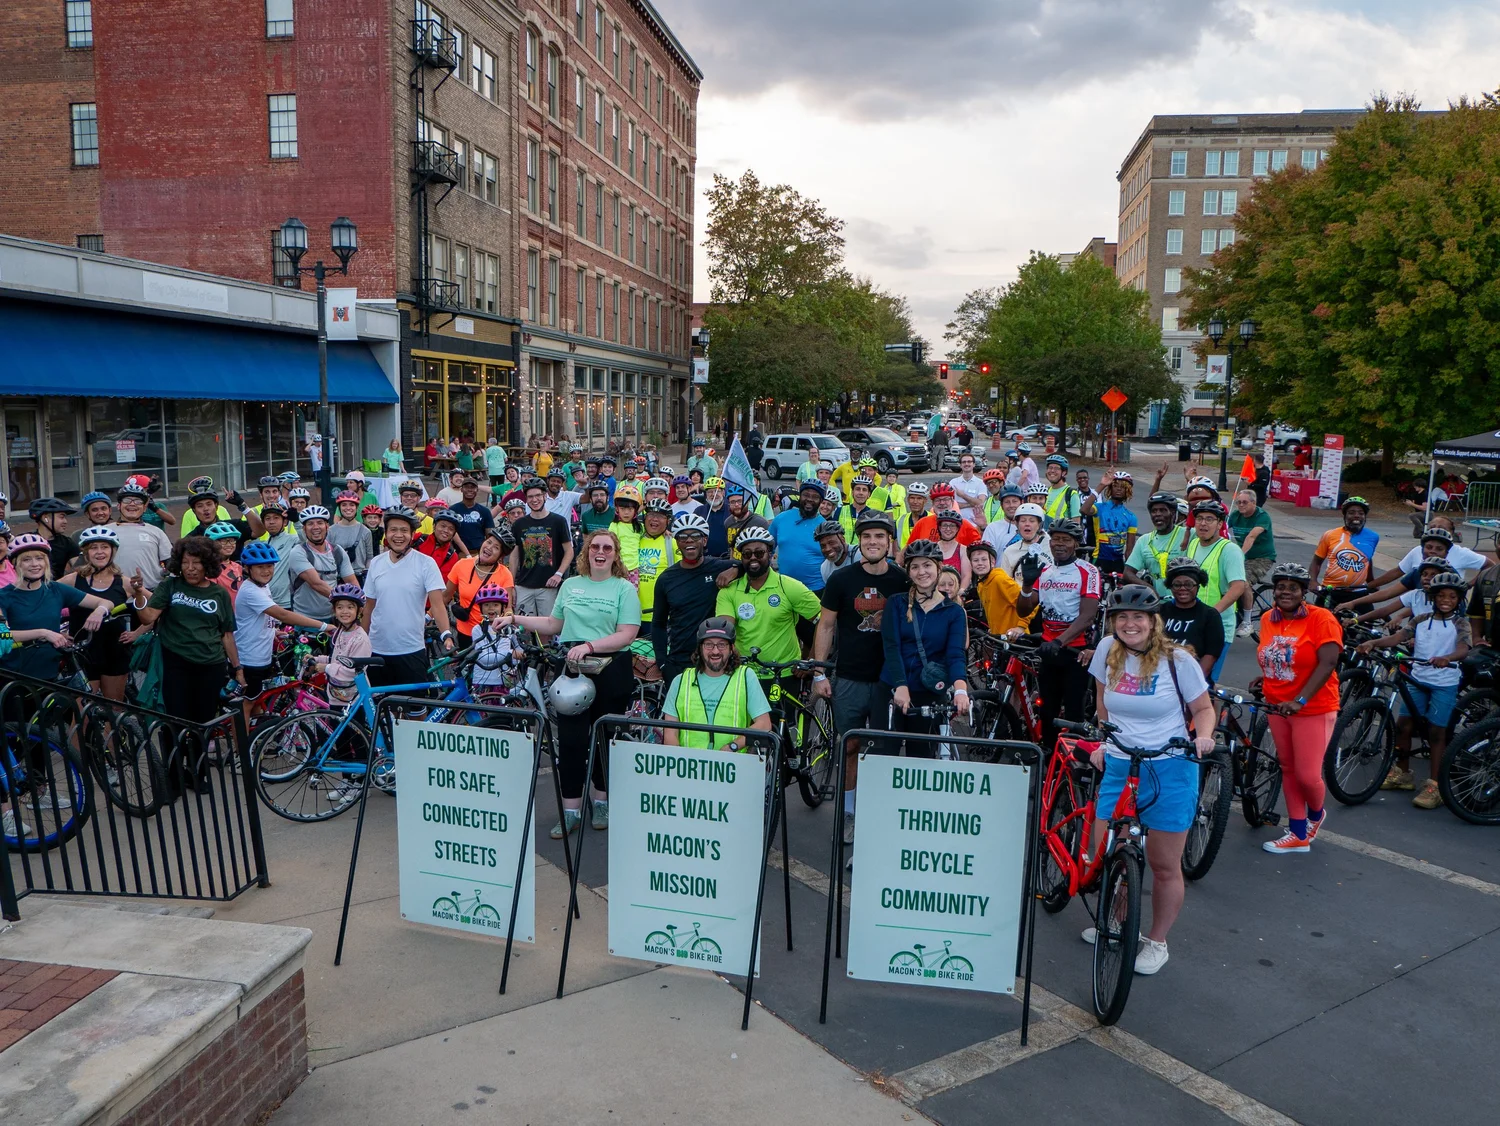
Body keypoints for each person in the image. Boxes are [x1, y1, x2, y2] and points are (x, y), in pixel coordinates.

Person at [1082, 585, 1217, 976]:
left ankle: (1156, 941)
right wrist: (1104, 740)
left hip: (1170, 764)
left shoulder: (1177, 661)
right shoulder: (1108, 650)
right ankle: (1115, 922)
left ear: (1153, 621)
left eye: (1138, 617)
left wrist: (1203, 737)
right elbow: (1103, 704)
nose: (1130, 624)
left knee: (1163, 864)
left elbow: (1203, 709)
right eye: (1121, 617)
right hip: (1122, 762)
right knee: (1109, 848)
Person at [504, 528, 641, 836]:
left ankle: (602, 802)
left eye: (607, 547)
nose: (601, 552)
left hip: (612, 667)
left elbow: (627, 634)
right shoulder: (571, 585)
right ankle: (570, 811)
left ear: (616, 554)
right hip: (573, 669)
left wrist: (590, 646)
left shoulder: (624, 589)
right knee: (571, 742)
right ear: (586, 552)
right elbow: (554, 624)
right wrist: (514, 619)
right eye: (595, 547)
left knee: (607, 738)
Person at [812, 510, 906, 837]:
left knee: (883, 754)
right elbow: (825, 625)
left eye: (880, 536)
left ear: (889, 541)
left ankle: (879, 816)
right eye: (867, 536)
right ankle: (850, 813)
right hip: (849, 676)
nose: (873, 542)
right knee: (849, 747)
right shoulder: (841, 579)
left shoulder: (901, 579)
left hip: (888, 681)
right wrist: (819, 673)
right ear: (859, 541)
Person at [1359, 571, 1470, 808]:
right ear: (1433, 597)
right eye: (1441, 595)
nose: (1446, 600)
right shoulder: (1420, 620)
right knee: (1404, 726)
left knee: (1436, 732)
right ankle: (1402, 773)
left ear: (1459, 600)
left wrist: (1446, 657)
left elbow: (1463, 649)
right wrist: (1373, 642)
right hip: (1418, 678)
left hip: (1444, 682)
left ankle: (1435, 785)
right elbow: (1399, 637)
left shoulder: (1460, 622)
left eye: (1452, 596)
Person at [1253, 562, 1342, 853]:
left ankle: (1316, 814)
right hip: (1277, 705)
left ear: (1304, 592)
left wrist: (1300, 700)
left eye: (1293, 587)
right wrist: (1264, 678)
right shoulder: (1268, 618)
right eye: (1280, 587)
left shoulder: (1322, 618)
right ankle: (1298, 833)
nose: (1285, 592)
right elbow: (1275, 655)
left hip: (1313, 706)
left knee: (1307, 774)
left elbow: (1328, 662)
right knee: (1288, 768)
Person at [133, 537, 241, 727]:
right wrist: (139, 595)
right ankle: (174, 757)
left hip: (211, 665)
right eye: (185, 562)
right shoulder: (169, 586)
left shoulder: (219, 593)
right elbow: (148, 617)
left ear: (207, 564)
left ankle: (199, 756)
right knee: (175, 721)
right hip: (176, 664)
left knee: (204, 721)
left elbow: (227, 635)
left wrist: (237, 668)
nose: (190, 568)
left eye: (196, 562)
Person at [880, 539, 970, 757]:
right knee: (882, 757)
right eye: (915, 566)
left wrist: (960, 690)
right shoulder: (896, 603)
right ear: (909, 571)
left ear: (938, 568)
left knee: (921, 760)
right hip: (892, 687)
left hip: (929, 693)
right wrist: (901, 685)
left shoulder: (954, 612)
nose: (922, 572)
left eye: (927, 565)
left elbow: (956, 654)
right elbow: (891, 646)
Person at [1016, 519, 1100, 745]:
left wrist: (1060, 641)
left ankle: (1072, 763)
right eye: (1056, 540)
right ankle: (1050, 756)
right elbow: (1023, 609)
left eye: (1066, 540)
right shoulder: (1045, 571)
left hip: (1075, 651)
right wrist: (1027, 585)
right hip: (1049, 650)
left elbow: (1087, 616)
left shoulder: (1088, 571)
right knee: (1048, 709)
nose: (1059, 544)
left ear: (1075, 543)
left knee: (1073, 711)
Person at [361, 506, 456, 691]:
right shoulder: (377, 563)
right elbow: (369, 608)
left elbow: (437, 605)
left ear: (413, 534)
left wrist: (446, 634)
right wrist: (361, 640)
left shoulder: (426, 563)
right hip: (377, 648)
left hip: (411, 648)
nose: (398, 535)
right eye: (393, 530)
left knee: (416, 709)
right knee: (383, 707)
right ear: (386, 533)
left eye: (404, 530)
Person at [230, 540, 336, 702]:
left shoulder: (261, 586)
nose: (266, 571)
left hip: (262, 656)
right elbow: (283, 615)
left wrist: (274, 631)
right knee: (247, 705)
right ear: (247, 568)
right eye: (260, 567)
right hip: (250, 660)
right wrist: (322, 626)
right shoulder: (250, 591)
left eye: (269, 566)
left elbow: (258, 618)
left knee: (259, 702)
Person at [716, 525, 820, 678]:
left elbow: (824, 621)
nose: (753, 558)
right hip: (743, 673)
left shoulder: (788, 586)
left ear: (770, 554)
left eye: (759, 553)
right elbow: (725, 630)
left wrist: (812, 660)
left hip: (784, 673)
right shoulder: (729, 591)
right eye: (747, 554)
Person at [652, 513, 740, 684]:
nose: (689, 540)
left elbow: (750, 566)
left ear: (704, 541)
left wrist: (735, 569)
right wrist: (662, 662)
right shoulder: (666, 579)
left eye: (695, 536)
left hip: (715, 658)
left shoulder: (717, 567)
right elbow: (658, 624)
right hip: (679, 660)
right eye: (683, 537)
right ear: (677, 542)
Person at [661, 616, 773, 750]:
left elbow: (764, 724)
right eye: (708, 644)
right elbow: (670, 732)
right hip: (690, 765)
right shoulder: (680, 680)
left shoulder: (746, 676)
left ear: (731, 648)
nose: (715, 651)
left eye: (722, 645)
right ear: (700, 648)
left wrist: (732, 746)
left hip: (732, 765)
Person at [54, 527, 133, 700]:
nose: (99, 552)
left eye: (104, 547)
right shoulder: (73, 580)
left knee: (114, 709)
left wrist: (137, 633)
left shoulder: (125, 582)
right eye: (93, 547)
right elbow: (43, 601)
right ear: (86, 552)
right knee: (83, 714)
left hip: (115, 651)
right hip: (83, 652)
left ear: (113, 551)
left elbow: (157, 606)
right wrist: (55, 631)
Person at [1181, 500, 1246, 683]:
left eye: (1210, 519)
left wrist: (1212, 613)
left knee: (1206, 682)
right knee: (1186, 680)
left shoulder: (1229, 550)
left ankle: (1212, 712)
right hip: (1193, 623)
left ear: (1220, 524)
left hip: (1217, 627)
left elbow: (1238, 586)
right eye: (1200, 518)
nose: (1203, 523)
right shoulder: (1193, 544)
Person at [510, 478, 575, 615]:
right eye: (530, 497)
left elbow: (569, 551)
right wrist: (511, 584)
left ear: (545, 495)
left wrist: (558, 574)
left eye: (538, 495)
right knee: (523, 629)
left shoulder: (558, 521)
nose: (535, 500)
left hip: (548, 586)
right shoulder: (519, 524)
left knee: (547, 630)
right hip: (523, 585)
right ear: (526, 499)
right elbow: (515, 556)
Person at [445, 527, 516, 647]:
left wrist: (509, 618)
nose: (489, 548)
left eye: (496, 547)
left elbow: (508, 608)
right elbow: (444, 597)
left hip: (491, 633)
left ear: (501, 556)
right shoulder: (461, 565)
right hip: (465, 633)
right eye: (489, 542)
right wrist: (427, 617)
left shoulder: (505, 574)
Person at [287, 506, 358, 622]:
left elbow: (351, 581)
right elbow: (316, 584)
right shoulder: (298, 552)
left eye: (320, 523)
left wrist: (359, 602)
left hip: (334, 617)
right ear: (304, 529)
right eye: (310, 524)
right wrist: (346, 601)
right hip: (305, 620)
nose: (315, 527)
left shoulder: (337, 551)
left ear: (327, 526)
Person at [1159, 557, 1225, 681]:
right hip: (1159, 678)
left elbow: (1211, 655)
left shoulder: (1210, 615)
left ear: (1198, 586)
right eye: (1177, 585)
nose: (1182, 588)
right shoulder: (1159, 611)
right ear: (1170, 586)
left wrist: (1192, 682)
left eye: (1188, 584)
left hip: (1194, 679)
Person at [1309, 496, 1378, 608]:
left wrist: (1372, 582)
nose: (1357, 515)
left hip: (1359, 592)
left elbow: (1367, 560)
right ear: (1345, 516)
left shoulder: (1373, 537)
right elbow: (1317, 561)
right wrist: (1313, 580)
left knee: (1369, 623)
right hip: (1331, 590)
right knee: (1323, 622)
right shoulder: (1330, 535)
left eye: (1361, 513)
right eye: (1351, 512)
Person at [109, 481, 174, 592]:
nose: (132, 504)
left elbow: (171, 563)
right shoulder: (106, 531)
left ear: (144, 508)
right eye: (127, 500)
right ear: (119, 506)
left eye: (138, 501)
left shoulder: (156, 532)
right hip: (115, 592)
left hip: (150, 592)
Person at [315, 585, 374, 707]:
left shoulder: (360, 639)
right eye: (340, 607)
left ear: (359, 611)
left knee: (352, 726)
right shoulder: (339, 632)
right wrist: (318, 660)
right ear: (334, 610)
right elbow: (338, 659)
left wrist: (326, 668)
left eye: (350, 607)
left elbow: (353, 671)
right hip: (336, 696)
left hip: (355, 699)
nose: (344, 611)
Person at [770, 480, 833, 593]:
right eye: (806, 495)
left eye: (815, 497)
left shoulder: (825, 527)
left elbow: (833, 560)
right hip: (784, 588)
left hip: (816, 589)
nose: (809, 499)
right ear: (800, 496)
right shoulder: (781, 519)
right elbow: (766, 549)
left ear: (821, 501)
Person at [1228, 490, 1276, 636]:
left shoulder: (1262, 517)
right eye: (1238, 502)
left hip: (1262, 558)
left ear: (1253, 503)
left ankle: (1247, 623)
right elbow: (1221, 529)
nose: (1240, 505)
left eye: (1244, 502)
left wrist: (1239, 555)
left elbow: (1251, 536)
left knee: (1244, 582)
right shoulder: (1235, 515)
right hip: (1243, 556)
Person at [1124, 492, 1183, 596]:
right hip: (1156, 603)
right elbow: (1128, 573)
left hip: (1182, 601)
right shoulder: (1144, 540)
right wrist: (1149, 588)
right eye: (1154, 511)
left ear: (1173, 512)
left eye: (1163, 510)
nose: (1158, 514)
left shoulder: (1188, 535)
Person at [967, 540, 1029, 636]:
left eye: (984, 559)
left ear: (992, 562)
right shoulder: (981, 585)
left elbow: (1028, 603)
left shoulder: (999, 580)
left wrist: (1021, 627)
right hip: (999, 637)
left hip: (1016, 638)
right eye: (975, 560)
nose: (979, 563)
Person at [1093, 471, 1138, 575]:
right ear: (1110, 488)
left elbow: (1129, 550)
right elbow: (1084, 509)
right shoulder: (1100, 508)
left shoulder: (1131, 516)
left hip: (1118, 562)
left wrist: (1129, 571)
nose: (1118, 489)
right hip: (1099, 559)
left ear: (1127, 490)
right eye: (1115, 486)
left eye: (1122, 487)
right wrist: (1102, 485)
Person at [998, 502, 1052, 579]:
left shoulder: (1051, 545)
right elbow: (1005, 584)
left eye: (1032, 521)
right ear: (1017, 524)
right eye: (1023, 521)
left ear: (1039, 524)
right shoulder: (1010, 551)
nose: (1027, 524)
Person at [329, 491, 375, 580]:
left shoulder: (365, 531)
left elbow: (369, 557)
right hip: (338, 577)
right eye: (344, 505)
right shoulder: (331, 531)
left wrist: (367, 575)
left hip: (359, 576)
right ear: (339, 508)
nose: (348, 508)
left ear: (357, 507)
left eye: (351, 505)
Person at [30, 498, 79, 579]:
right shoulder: (27, 541)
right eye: (61, 517)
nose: (65, 521)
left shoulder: (67, 543)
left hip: (55, 588)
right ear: (46, 518)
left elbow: (81, 569)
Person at [445, 475, 496, 553]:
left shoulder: (485, 511)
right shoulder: (453, 510)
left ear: (477, 490)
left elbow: (490, 535)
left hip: (479, 553)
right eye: (466, 487)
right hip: (458, 553)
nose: (469, 490)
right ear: (461, 489)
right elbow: (448, 533)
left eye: (473, 487)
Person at [203, 522, 245, 604]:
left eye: (232, 540)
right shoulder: (210, 570)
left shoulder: (238, 566)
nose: (229, 544)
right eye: (223, 541)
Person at [608, 484, 644, 571]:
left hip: (635, 568)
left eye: (630, 509)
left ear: (636, 510)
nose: (626, 513)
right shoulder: (614, 526)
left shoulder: (640, 527)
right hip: (618, 567)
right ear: (617, 509)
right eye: (622, 509)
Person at [948, 453, 987, 525]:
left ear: (974, 464)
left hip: (974, 524)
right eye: (964, 462)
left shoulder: (981, 483)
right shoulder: (953, 482)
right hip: (956, 524)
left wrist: (963, 495)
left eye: (969, 462)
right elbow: (950, 505)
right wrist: (971, 504)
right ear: (960, 465)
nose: (966, 464)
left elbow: (980, 503)